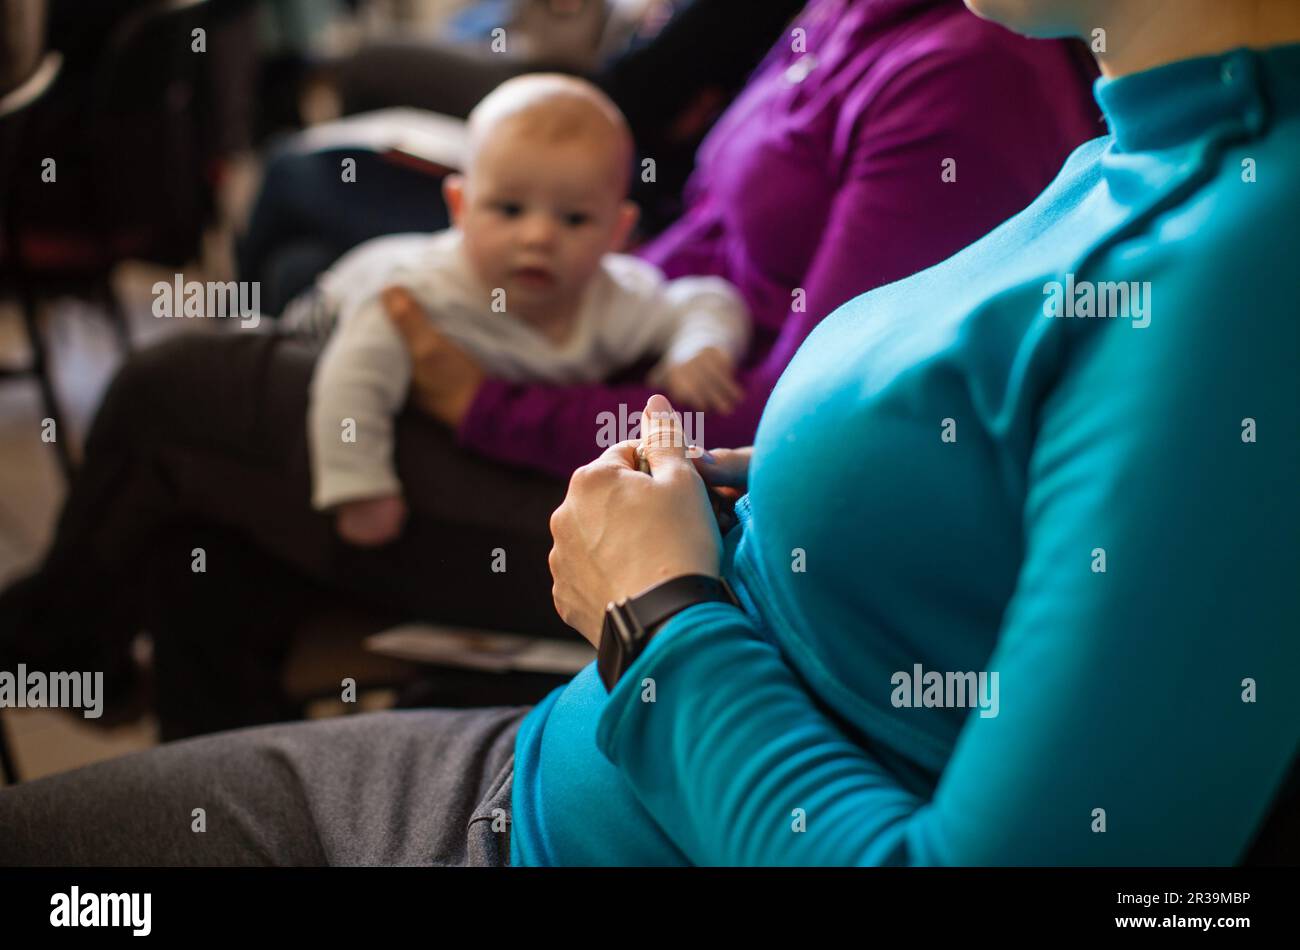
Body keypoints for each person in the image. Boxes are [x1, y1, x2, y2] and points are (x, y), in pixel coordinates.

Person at [2, 0, 1296, 866]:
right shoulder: (1147, 143)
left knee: (189, 400)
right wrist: (740, 497)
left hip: (554, 808)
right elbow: (962, 482)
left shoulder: (1232, 262)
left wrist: (656, 611)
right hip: (566, 751)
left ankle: (48, 644)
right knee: (218, 521)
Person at [308, 75, 748, 547]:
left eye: (574, 218)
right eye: (510, 209)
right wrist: (360, 486)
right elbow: (351, 381)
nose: (538, 237)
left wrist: (698, 346)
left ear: (618, 231)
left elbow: (705, 299)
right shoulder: (419, 295)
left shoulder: (619, 298)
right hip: (329, 310)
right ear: (460, 205)